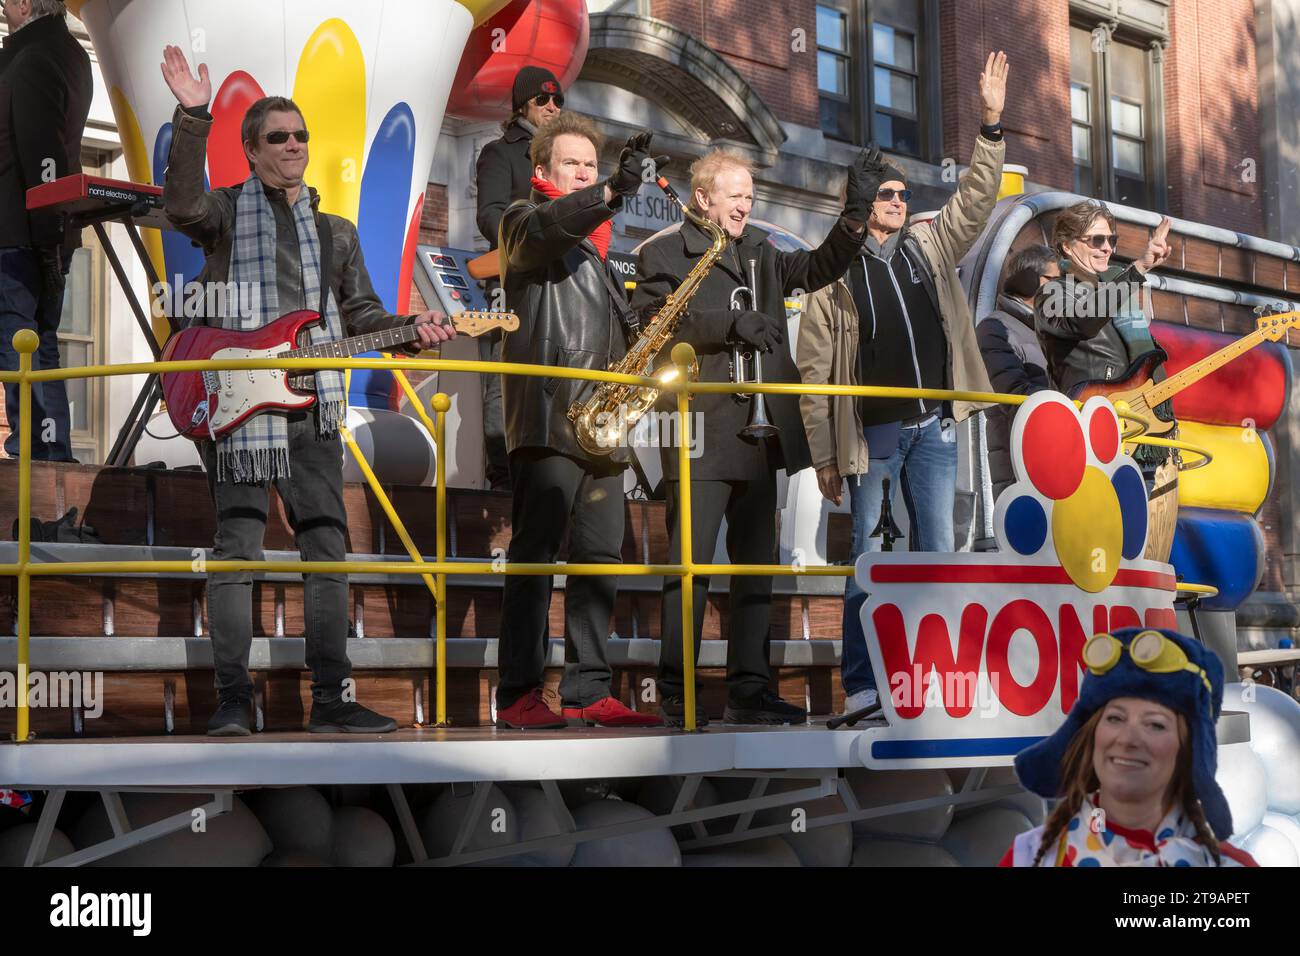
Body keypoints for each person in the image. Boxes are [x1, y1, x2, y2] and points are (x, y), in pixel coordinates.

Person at [159, 46, 455, 736]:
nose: (294, 146)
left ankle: (331, 698)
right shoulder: (226, 212)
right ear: (252, 151)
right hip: (241, 406)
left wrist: (414, 329)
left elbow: (367, 319)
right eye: (278, 138)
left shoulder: (337, 232)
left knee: (327, 548)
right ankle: (234, 701)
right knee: (238, 547)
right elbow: (179, 204)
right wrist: (193, 117)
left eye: (301, 136)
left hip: (313, 405)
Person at [797, 51, 1010, 715]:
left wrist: (991, 126)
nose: (898, 202)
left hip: (934, 429)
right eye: (885, 194)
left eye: (900, 194)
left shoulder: (927, 245)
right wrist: (825, 455)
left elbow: (974, 202)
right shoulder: (832, 271)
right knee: (871, 557)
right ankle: (863, 684)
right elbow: (811, 371)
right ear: (859, 204)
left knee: (938, 554)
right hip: (874, 435)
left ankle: (932, 681)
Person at [632, 147, 872, 727]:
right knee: (690, 567)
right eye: (735, 195)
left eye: (749, 196)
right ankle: (675, 689)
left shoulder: (761, 252)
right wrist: (727, 324)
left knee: (755, 567)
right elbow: (649, 322)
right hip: (700, 430)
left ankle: (750, 686)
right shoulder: (664, 252)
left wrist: (855, 212)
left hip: (758, 436)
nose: (745, 204)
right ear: (703, 198)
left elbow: (819, 268)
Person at [494, 112, 663, 729]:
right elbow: (550, 226)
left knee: (599, 558)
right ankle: (518, 693)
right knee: (536, 557)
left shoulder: (598, 250)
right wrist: (612, 190)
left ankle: (589, 689)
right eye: (574, 164)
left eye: (593, 165)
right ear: (541, 172)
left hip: (601, 421)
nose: (587, 173)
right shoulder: (523, 221)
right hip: (548, 412)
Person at [1004, 627, 1257, 866]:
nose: (1128, 739)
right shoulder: (1029, 857)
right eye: (1115, 718)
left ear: (1189, 749)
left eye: (1155, 725)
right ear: (1091, 735)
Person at [1034, 199, 1176, 559]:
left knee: (1144, 555)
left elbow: (1145, 362)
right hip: (1092, 438)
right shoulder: (1052, 293)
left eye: (1111, 239)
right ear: (1067, 245)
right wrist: (1138, 267)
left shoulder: (1118, 287)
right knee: (1100, 549)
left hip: (1143, 434)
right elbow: (1084, 320)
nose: (1107, 248)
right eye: (1096, 240)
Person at [0, 0, 92, 461]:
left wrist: (44, 236)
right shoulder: (71, 54)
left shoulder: (31, 57)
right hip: (46, 227)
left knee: (19, 342)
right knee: (43, 343)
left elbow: (42, 155)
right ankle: (50, 450)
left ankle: (35, 451)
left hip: (20, 230)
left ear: (22, 4)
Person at [474, 65, 565, 492]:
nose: (552, 106)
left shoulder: (567, 157)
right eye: (542, 99)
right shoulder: (500, 152)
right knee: (504, 379)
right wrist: (530, 239)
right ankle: (504, 478)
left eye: (558, 100)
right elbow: (489, 214)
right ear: (522, 106)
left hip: (561, 288)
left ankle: (556, 468)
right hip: (513, 285)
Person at [976, 244, 1058, 498]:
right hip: (1022, 469)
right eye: (1054, 281)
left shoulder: (1051, 328)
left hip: (1058, 460)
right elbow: (1014, 394)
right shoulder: (995, 328)